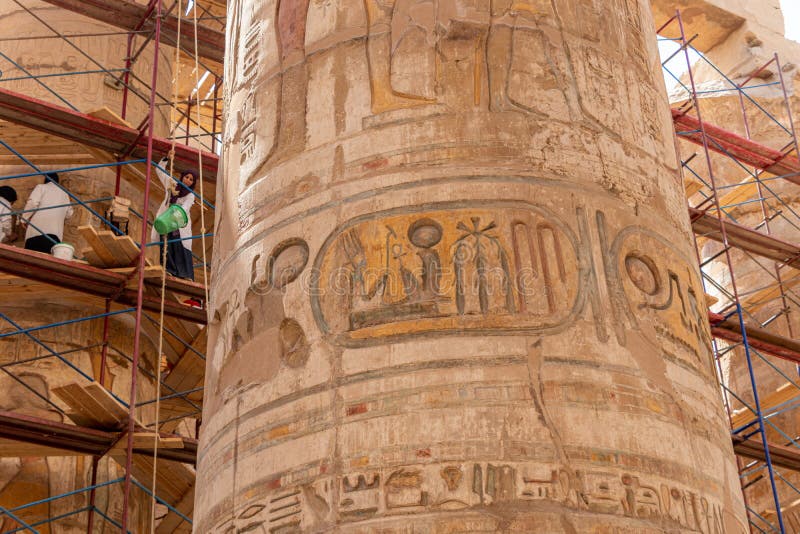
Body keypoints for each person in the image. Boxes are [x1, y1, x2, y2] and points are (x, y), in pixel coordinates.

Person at [153, 157, 196, 280]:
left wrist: (174, 215)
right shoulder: (172, 184)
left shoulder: (190, 195)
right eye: (187, 177)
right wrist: (166, 159)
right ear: (182, 176)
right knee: (166, 244)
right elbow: (159, 171)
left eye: (191, 179)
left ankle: (185, 275)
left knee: (179, 246)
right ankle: (168, 269)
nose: (187, 180)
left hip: (178, 221)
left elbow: (186, 208)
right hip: (166, 220)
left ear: (193, 183)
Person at [22, 173, 73, 253]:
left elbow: (32, 203)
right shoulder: (65, 194)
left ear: (45, 180)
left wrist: (24, 219)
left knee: (31, 258)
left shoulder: (41, 187)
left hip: (37, 233)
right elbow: (69, 214)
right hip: (55, 237)